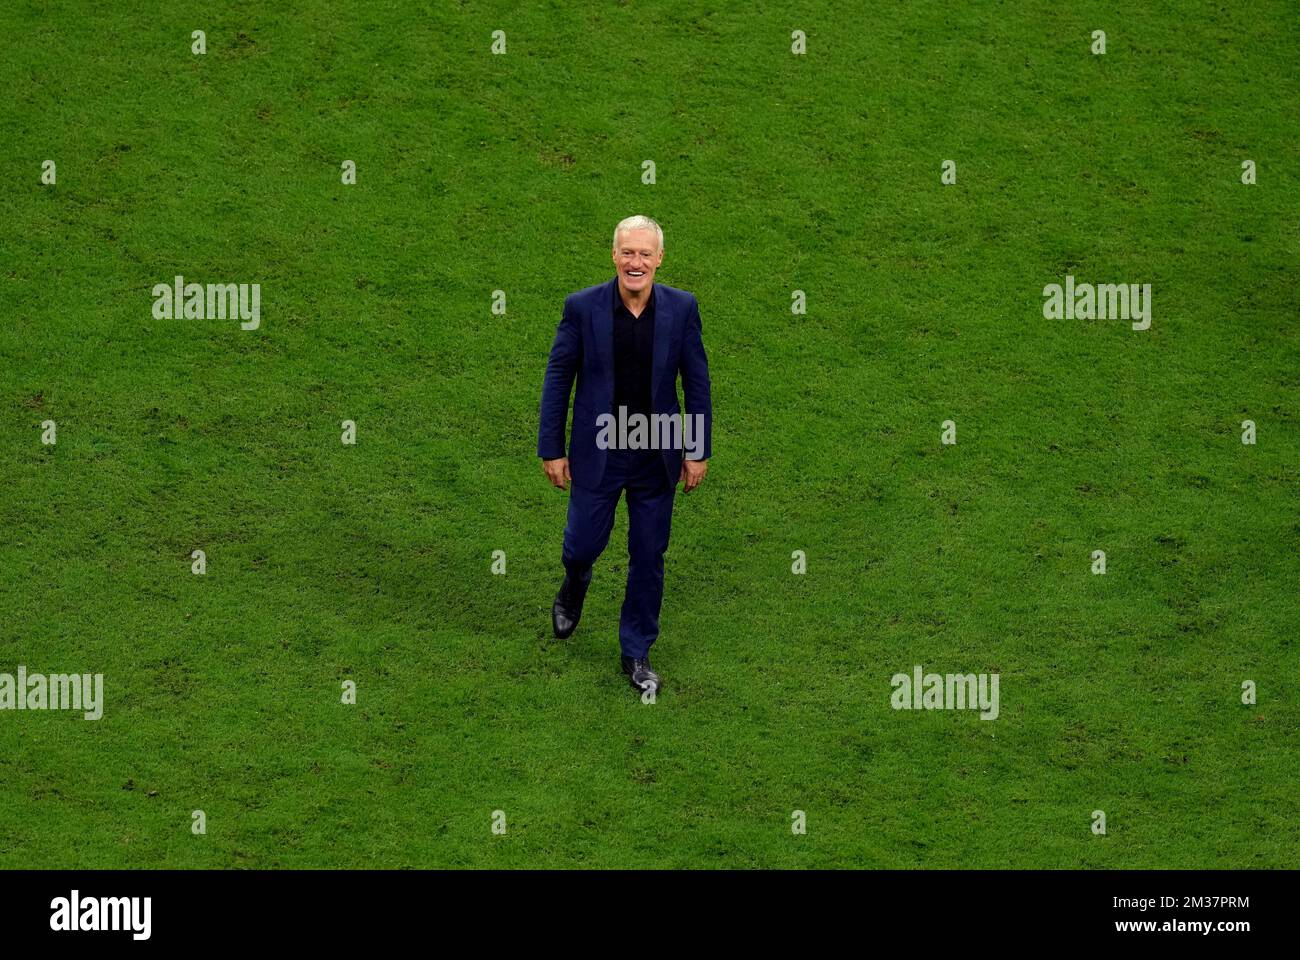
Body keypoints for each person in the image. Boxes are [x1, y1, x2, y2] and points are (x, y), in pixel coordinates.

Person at [537, 215, 712, 694]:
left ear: (659, 259)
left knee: (648, 554)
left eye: (645, 254)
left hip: (657, 449)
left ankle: (636, 651)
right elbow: (559, 379)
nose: (636, 263)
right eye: (627, 253)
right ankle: (576, 579)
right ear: (614, 256)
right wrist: (552, 448)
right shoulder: (582, 308)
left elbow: (696, 381)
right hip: (600, 447)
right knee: (583, 543)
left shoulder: (682, 308)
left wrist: (695, 450)